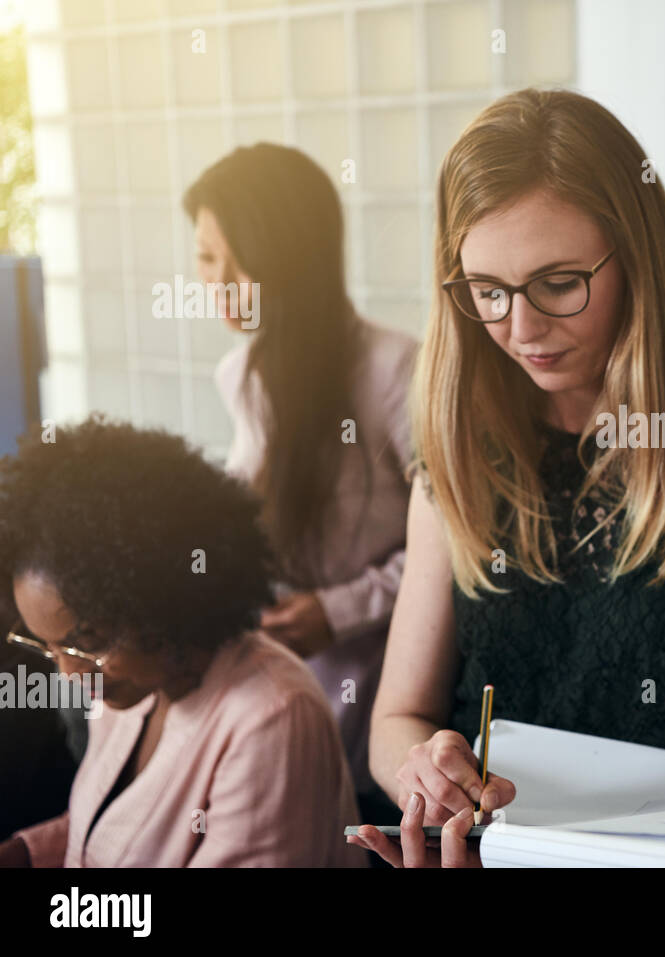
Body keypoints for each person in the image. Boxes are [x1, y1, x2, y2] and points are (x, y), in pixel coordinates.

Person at [354, 89, 665, 867]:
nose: (520, 328)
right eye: (487, 290)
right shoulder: (458, 451)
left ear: (637, 259)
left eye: (557, 283)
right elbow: (394, 723)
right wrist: (424, 769)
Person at [0, 417, 364, 867]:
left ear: (159, 597)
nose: (69, 674)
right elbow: (109, 831)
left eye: (86, 641)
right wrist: (25, 853)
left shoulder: (271, 718)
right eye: (47, 647)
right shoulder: (130, 688)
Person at [185, 144, 418, 816]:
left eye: (242, 258)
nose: (220, 281)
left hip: (384, 695)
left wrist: (340, 610)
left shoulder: (396, 371)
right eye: (205, 258)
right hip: (276, 689)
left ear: (295, 255)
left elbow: (462, 552)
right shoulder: (240, 376)